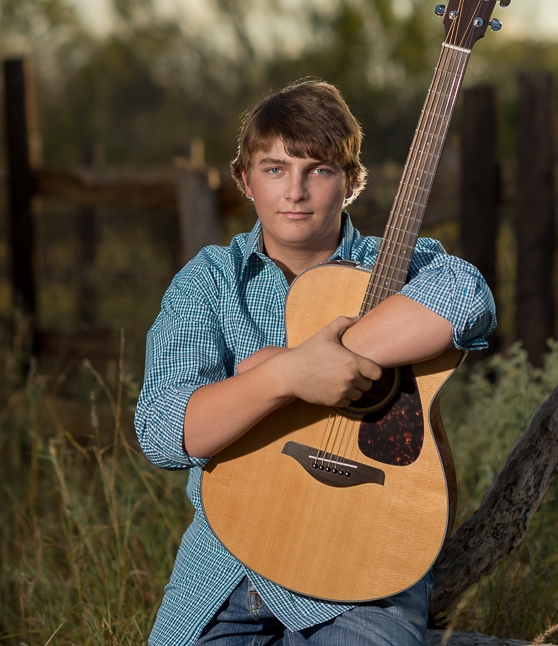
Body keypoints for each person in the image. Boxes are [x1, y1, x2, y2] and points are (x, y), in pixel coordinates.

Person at [135, 80, 496, 646]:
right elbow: (162, 434)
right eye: (275, 169)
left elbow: (466, 296)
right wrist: (289, 375)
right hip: (227, 564)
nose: (295, 191)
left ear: (351, 182)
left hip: (367, 564)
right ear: (244, 180)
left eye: (319, 170)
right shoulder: (208, 282)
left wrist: (340, 358)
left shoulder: (397, 269)